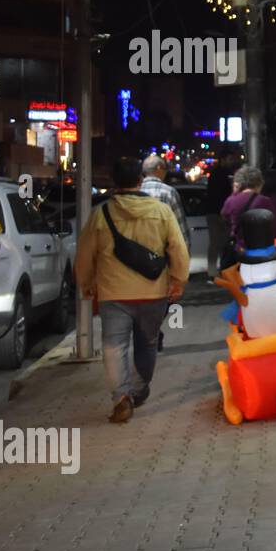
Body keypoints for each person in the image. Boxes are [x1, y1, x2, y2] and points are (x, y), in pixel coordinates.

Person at [76, 156, 189, 424]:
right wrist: (178, 280)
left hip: (113, 293)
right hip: (153, 291)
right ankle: (137, 390)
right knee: (147, 343)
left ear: (115, 182)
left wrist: (86, 284)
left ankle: (121, 398)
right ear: (140, 180)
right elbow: (178, 249)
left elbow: (84, 256)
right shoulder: (161, 211)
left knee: (114, 346)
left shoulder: (100, 214)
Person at [221, 165, 276, 253]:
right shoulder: (264, 201)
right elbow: (275, 225)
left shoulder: (231, 200)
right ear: (259, 183)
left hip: (239, 248)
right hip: (258, 250)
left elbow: (225, 217)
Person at [139, 153, 190, 248]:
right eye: (165, 169)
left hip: (137, 251)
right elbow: (179, 227)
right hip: (161, 251)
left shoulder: (136, 191)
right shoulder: (168, 192)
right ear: (158, 168)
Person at [206, 149, 241, 278]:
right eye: (230, 159)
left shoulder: (217, 173)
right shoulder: (222, 174)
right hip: (217, 212)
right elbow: (221, 195)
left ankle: (217, 269)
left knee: (220, 242)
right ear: (224, 159)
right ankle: (218, 270)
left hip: (216, 211)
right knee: (219, 242)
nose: (232, 161)